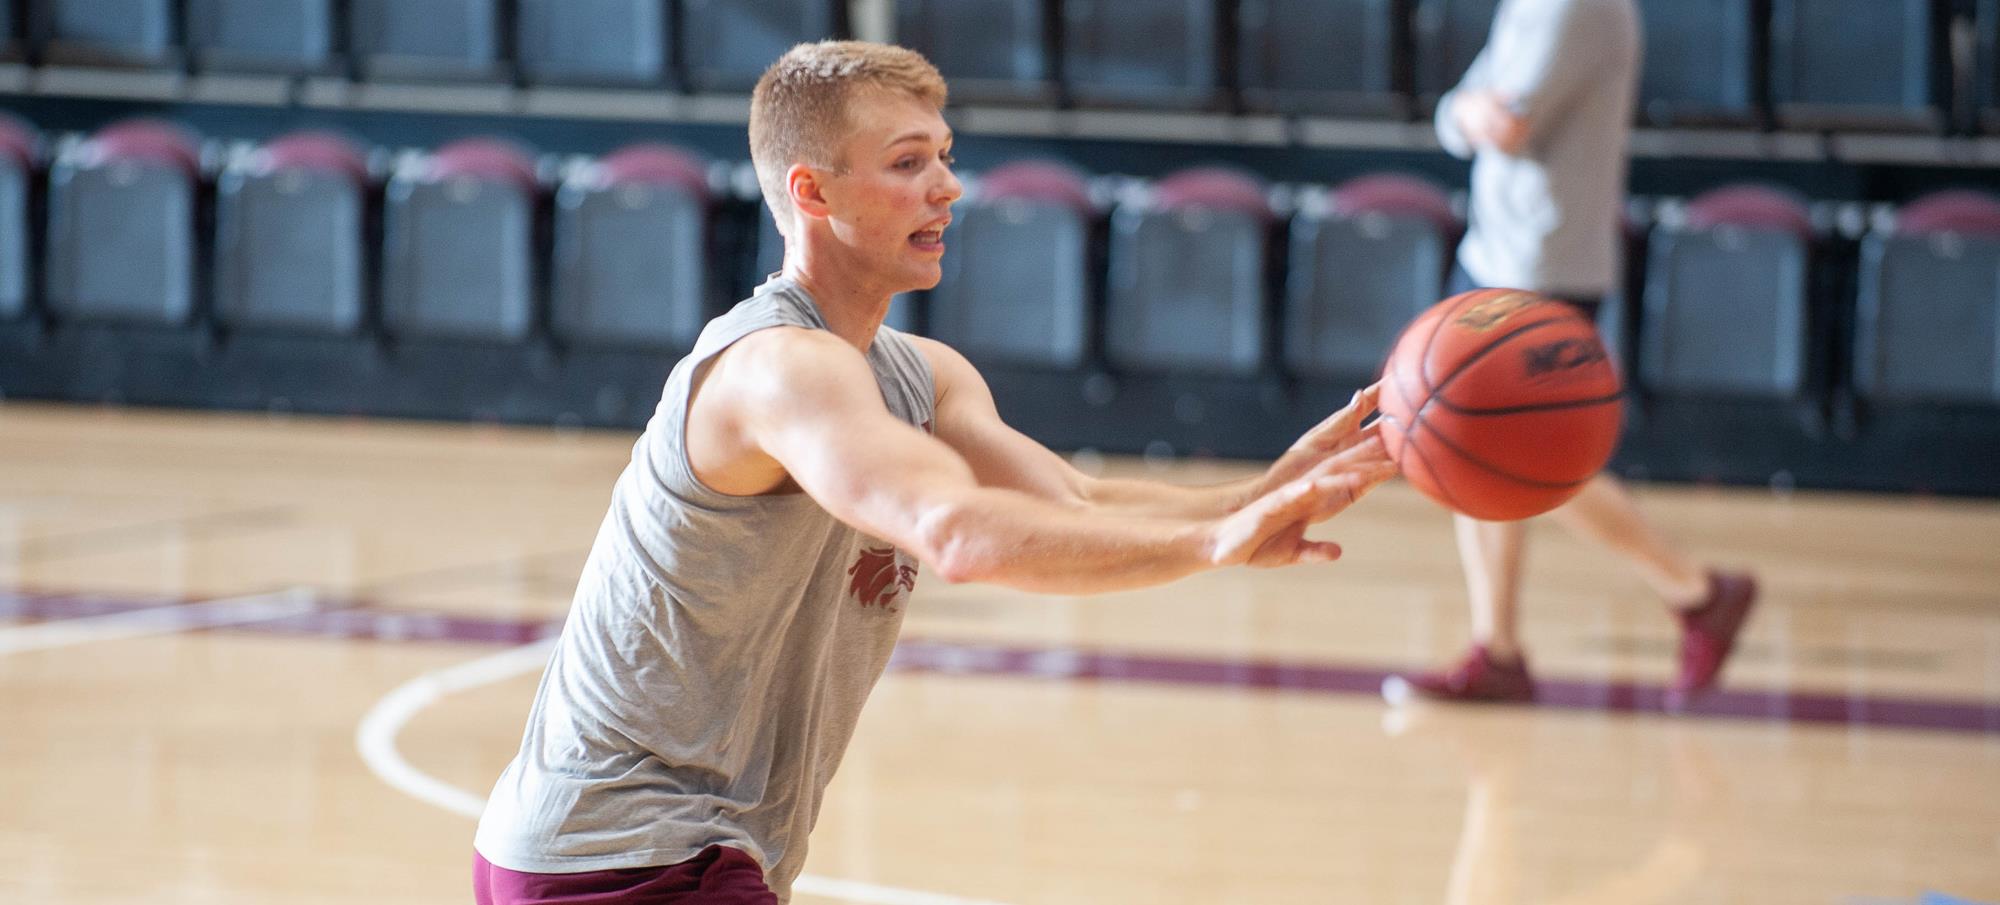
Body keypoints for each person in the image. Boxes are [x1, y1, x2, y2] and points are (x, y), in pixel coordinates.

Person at [471, 40, 1396, 904]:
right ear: (815, 192)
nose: (948, 187)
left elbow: (1076, 499)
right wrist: (1209, 543)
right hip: (622, 853)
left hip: (681, 847)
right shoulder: (778, 369)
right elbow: (956, 530)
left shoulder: (921, 372)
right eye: (909, 163)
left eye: (946, 156)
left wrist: (1265, 494)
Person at [1383, 0, 1756, 706]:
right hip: (1495, 249)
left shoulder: (1577, 6)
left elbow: (1505, 125)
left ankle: (1700, 592)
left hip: (1543, 264)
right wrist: (1468, 114)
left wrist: (1469, 115)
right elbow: (1459, 116)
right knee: (1471, 455)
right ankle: (1497, 648)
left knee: (1520, 460)